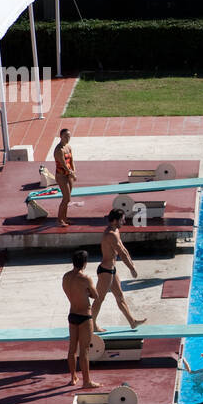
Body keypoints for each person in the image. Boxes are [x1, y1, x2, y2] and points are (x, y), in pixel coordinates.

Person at [91, 209, 147, 333]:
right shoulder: (110, 234)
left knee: (120, 297)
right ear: (115, 220)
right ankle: (92, 324)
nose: (124, 221)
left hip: (112, 270)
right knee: (99, 299)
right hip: (105, 271)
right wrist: (131, 268)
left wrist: (132, 265)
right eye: (122, 219)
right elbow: (121, 253)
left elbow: (124, 249)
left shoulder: (116, 230)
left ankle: (132, 322)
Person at [61, 249, 101, 389]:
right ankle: (87, 381)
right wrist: (87, 293)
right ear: (85, 263)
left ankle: (73, 377)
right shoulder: (85, 278)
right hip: (84, 316)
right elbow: (95, 296)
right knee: (84, 350)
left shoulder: (65, 277)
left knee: (72, 349)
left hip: (72, 314)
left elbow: (69, 292)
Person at [53, 129, 76, 226]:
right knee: (66, 198)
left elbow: (71, 161)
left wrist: (74, 171)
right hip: (62, 176)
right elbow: (63, 165)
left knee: (68, 198)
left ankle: (64, 218)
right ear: (61, 136)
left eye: (69, 136)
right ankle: (59, 220)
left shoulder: (68, 147)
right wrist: (71, 173)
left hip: (69, 175)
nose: (68, 138)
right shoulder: (59, 150)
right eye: (66, 136)